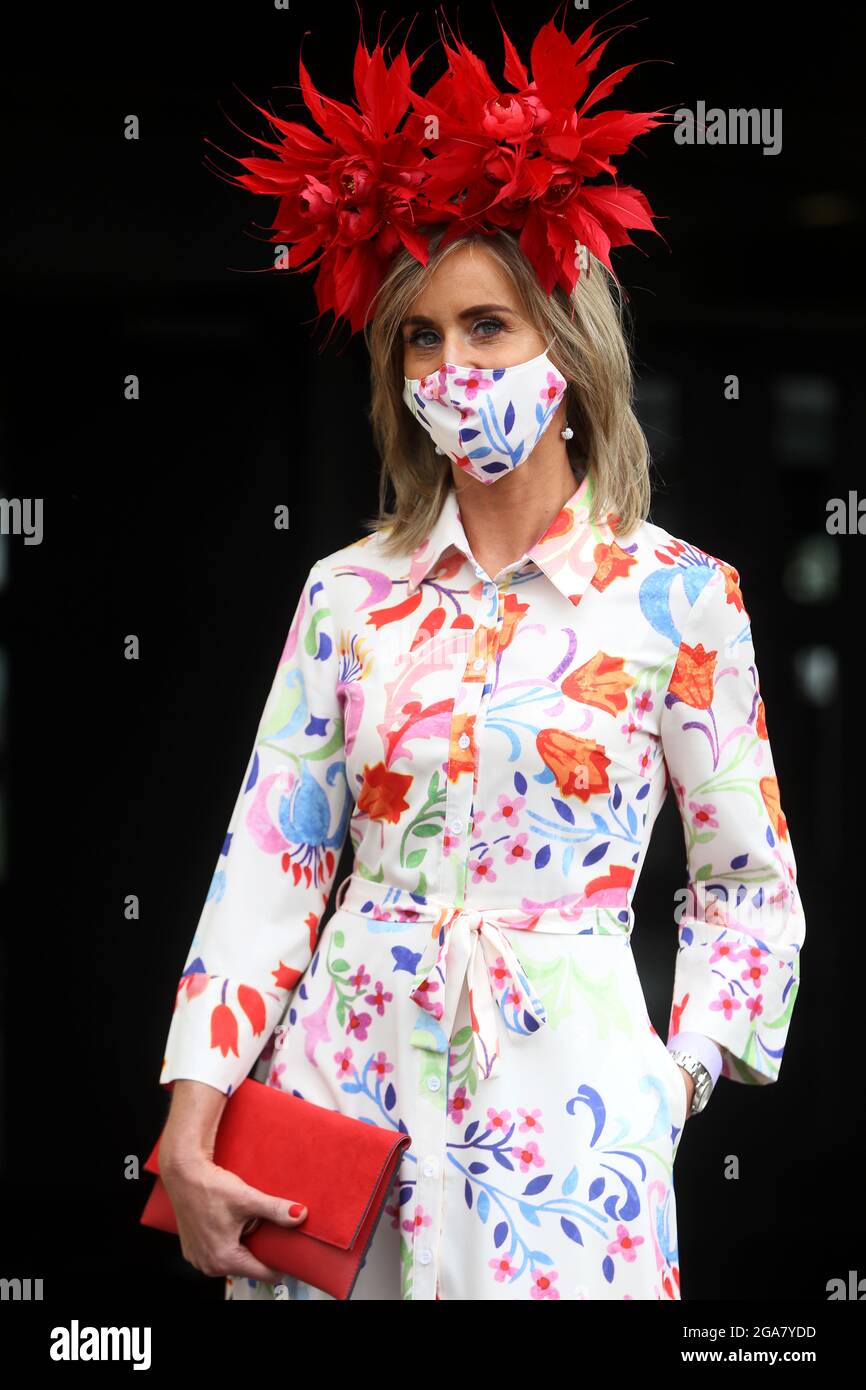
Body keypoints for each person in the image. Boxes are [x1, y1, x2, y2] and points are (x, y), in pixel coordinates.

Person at [154, 12, 806, 1301]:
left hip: (571, 1140)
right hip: (341, 1112)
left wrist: (661, 1082)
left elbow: (750, 895)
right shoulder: (345, 596)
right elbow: (267, 874)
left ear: (565, 350)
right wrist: (190, 1119)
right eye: (421, 338)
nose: (453, 368)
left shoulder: (681, 601)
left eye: (488, 328)